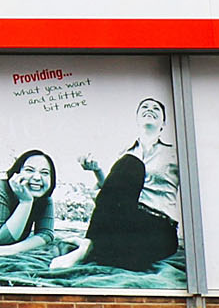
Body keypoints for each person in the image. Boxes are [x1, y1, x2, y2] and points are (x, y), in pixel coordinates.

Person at [50, 97, 181, 274]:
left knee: (130, 261)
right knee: (130, 163)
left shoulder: (175, 152)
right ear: (137, 118)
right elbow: (112, 194)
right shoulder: (125, 154)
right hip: (127, 221)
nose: (150, 109)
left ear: (163, 123)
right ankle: (86, 247)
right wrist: (97, 171)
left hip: (159, 228)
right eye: (144, 106)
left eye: (156, 108)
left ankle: (93, 246)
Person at [0, 150, 57, 254]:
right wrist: (25, 202)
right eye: (29, 170)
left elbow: (46, 234)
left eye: (45, 173)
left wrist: (14, 249)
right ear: (16, 173)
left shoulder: (44, 198)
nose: (37, 178)